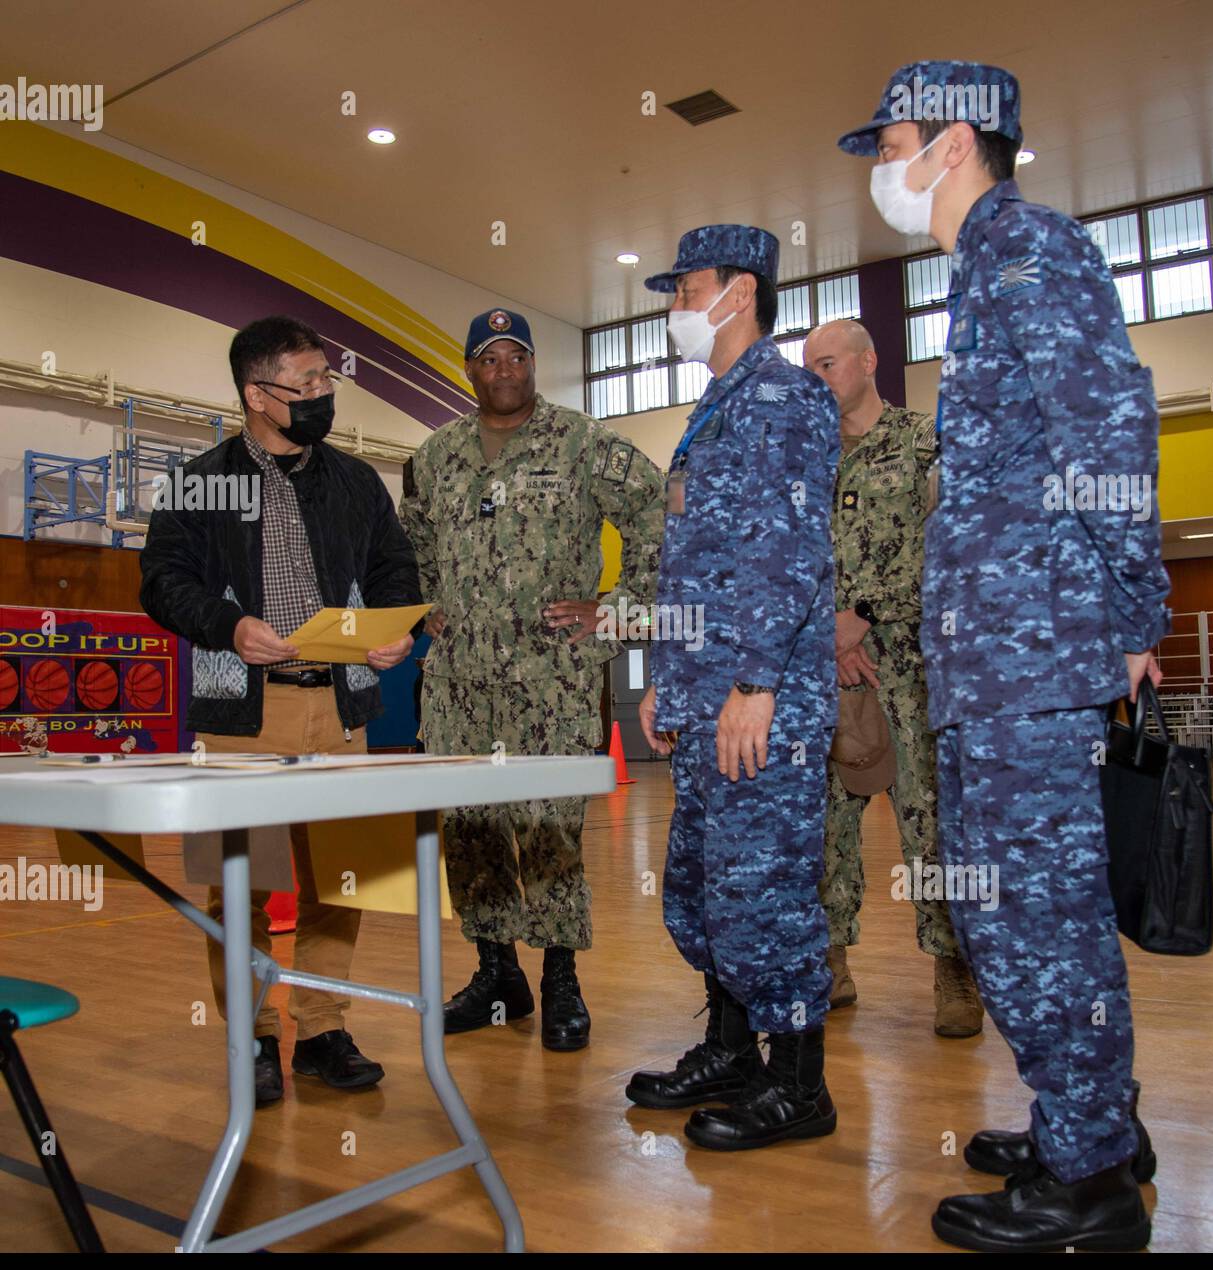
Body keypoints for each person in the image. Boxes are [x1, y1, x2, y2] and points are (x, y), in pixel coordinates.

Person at [839, 61, 1169, 1249]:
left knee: (1037, 909)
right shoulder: (980, 266)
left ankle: (1089, 1191)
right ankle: (1089, 1120)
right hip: (993, 654)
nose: (881, 167)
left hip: (1036, 647)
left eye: (891, 142)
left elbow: (1109, 426)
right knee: (1009, 904)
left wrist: (1136, 609)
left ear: (956, 139)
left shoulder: (1029, 247)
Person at [140, 315, 421, 1106]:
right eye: (307, 385)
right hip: (242, 716)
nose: (324, 394)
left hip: (341, 710)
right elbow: (161, 581)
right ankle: (255, 1036)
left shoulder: (358, 481)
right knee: (244, 887)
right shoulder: (200, 482)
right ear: (256, 395)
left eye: (326, 380)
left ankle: (323, 1028)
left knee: (344, 878)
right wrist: (228, 626)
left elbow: (395, 568)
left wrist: (393, 629)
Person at [626, 226, 841, 1151]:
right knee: (705, 894)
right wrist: (667, 683)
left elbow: (789, 557)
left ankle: (800, 1084)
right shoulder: (714, 407)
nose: (676, 305)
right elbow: (698, 564)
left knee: (768, 897)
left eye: (687, 287)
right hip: (705, 699)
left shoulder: (784, 398)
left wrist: (755, 682)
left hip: (763, 703)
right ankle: (731, 1049)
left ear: (739, 291)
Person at [399, 309, 664, 1051]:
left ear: (533, 365)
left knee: (548, 827)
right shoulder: (437, 454)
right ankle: (496, 972)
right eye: (490, 358)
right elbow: (409, 540)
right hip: (458, 682)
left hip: (550, 677)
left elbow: (654, 507)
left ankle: (558, 978)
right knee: (471, 827)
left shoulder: (580, 442)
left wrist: (617, 609)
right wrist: (427, 611)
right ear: (470, 370)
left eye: (518, 356)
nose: (505, 369)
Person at [804, 318, 983, 1034]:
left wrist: (867, 614)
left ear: (870, 361)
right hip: (826, 670)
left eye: (830, 363)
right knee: (823, 826)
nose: (820, 377)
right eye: (810, 367)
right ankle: (833, 960)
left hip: (910, 669)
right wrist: (833, 629)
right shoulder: (803, 459)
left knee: (928, 823)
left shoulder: (923, 443)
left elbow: (950, 550)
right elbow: (789, 561)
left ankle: (952, 968)